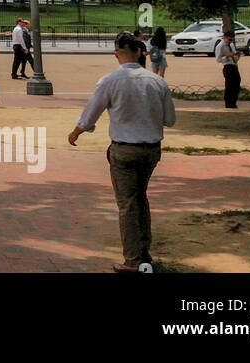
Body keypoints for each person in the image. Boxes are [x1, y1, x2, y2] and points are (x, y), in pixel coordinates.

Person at [68, 31, 176, 273]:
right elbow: (170, 119)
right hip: (151, 150)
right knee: (140, 198)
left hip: (124, 150)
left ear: (115, 53)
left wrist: (76, 133)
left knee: (127, 204)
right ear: (140, 52)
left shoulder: (109, 81)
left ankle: (133, 260)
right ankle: (144, 253)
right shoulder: (157, 81)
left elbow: (89, 116)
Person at [216, 29, 242, 108]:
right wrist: (227, 57)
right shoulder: (220, 46)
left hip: (234, 65)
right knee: (229, 85)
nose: (230, 41)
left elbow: (235, 57)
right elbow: (218, 59)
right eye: (229, 39)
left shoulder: (231, 45)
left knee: (236, 84)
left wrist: (237, 55)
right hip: (227, 66)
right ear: (224, 37)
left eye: (232, 40)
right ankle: (228, 103)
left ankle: (233, 102)